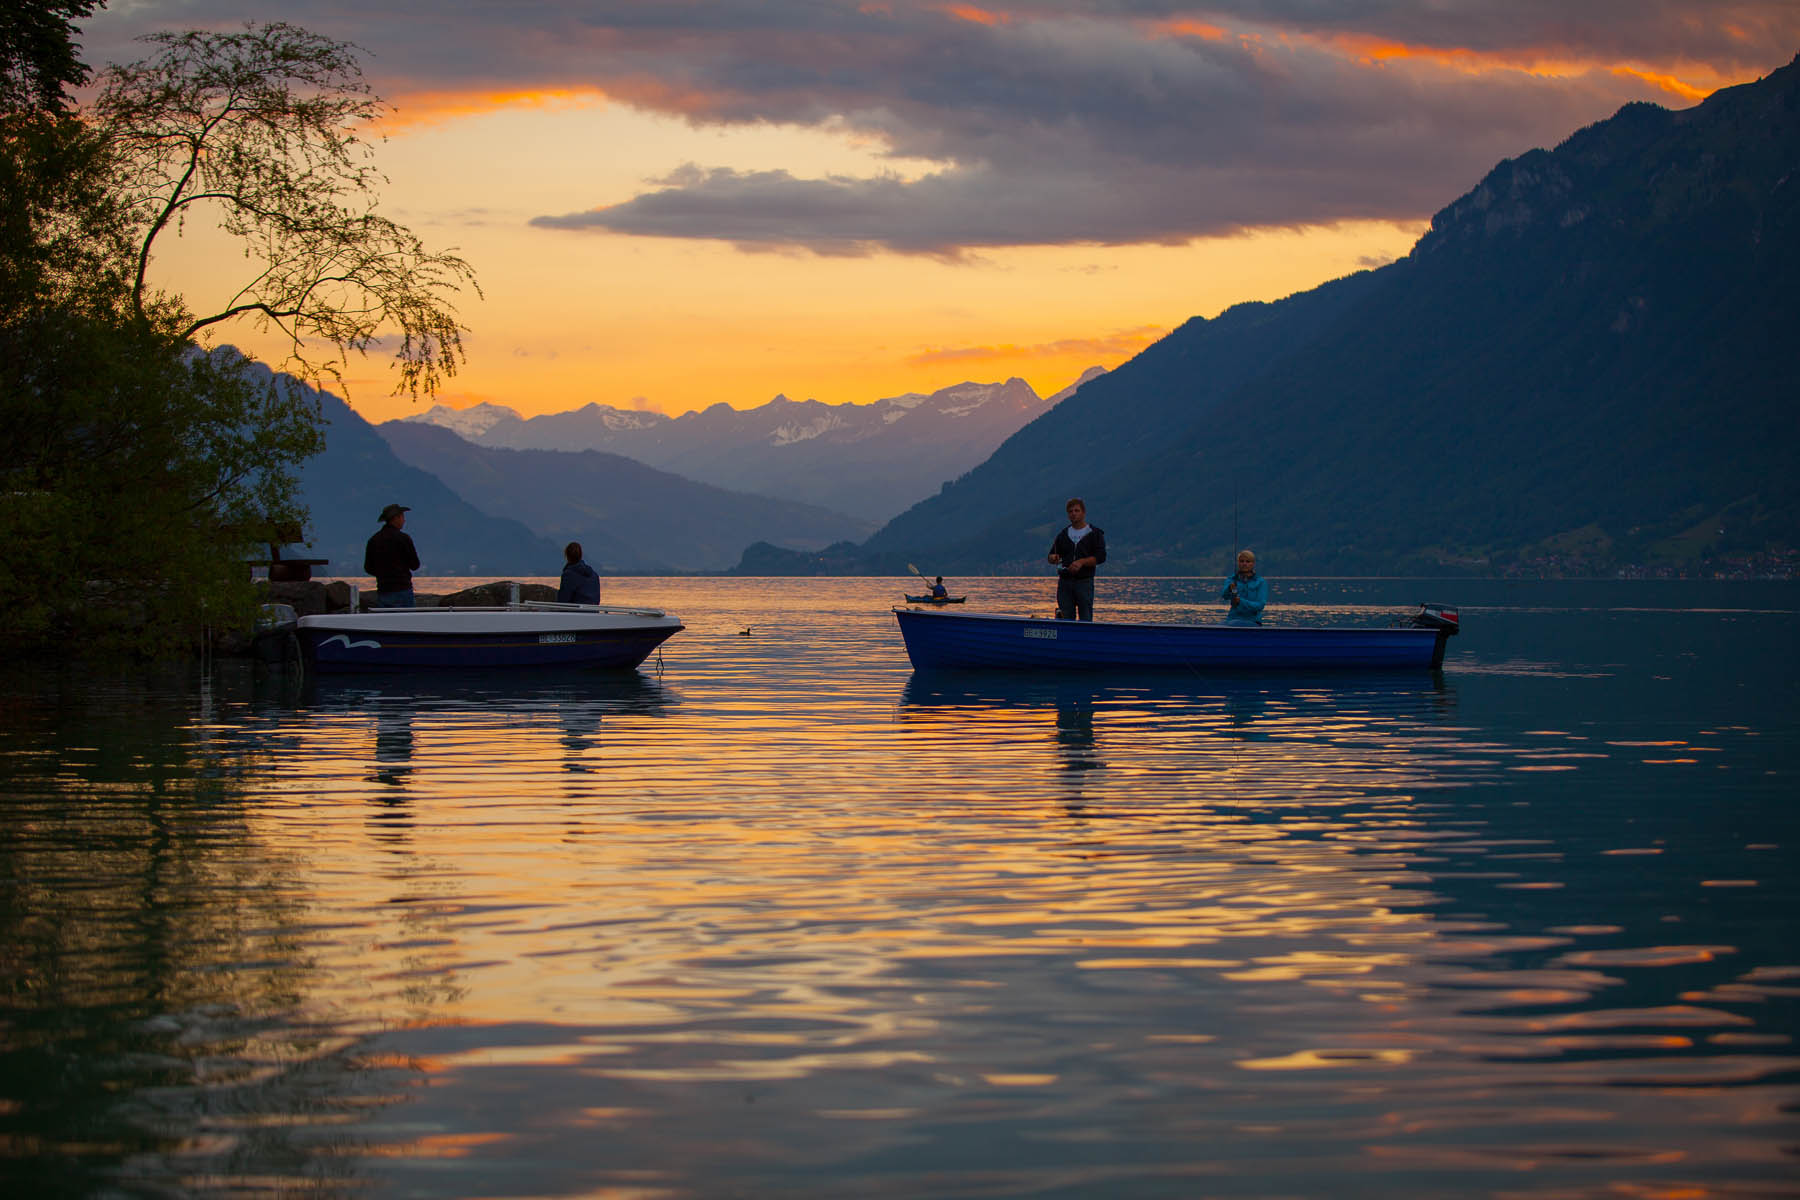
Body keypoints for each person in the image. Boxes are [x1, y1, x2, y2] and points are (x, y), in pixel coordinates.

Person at [1047, 497, 1106, 621]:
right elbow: (1051, 555)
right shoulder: (1063, 534)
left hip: (1084, 582)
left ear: (1083, 512)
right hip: (1065, 582)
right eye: (1070, 511)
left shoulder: (1094, 533)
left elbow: (1101, 556)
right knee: (1065, 619)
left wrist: (1082, 562)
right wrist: (1053, 558)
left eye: (1076, 510)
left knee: (1085, 618)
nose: (1073, 513)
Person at [364, 503, 420, 608]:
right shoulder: (403, 538)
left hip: (383, 590)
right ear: (396, 518)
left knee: (385, 618)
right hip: (403, 589)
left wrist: (382, 574)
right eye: (402, 517)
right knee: (406, 618)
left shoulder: (374, 540)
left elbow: (368, 568)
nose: (404, 520)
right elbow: (415, 565)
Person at [1222, 549, 1268, 626]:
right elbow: (1224, 596)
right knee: (1220, 625)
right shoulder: (1231, 579)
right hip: (1231, 619)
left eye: (1248, 561)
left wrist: (1241, 601)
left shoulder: (1261, 582)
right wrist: (1229, 588)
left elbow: (1260, 605)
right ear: (1238, 563)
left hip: (1253, 621)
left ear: (1253, 564)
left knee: (1233, 624)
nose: (1244, 564)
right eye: (1242, 561)